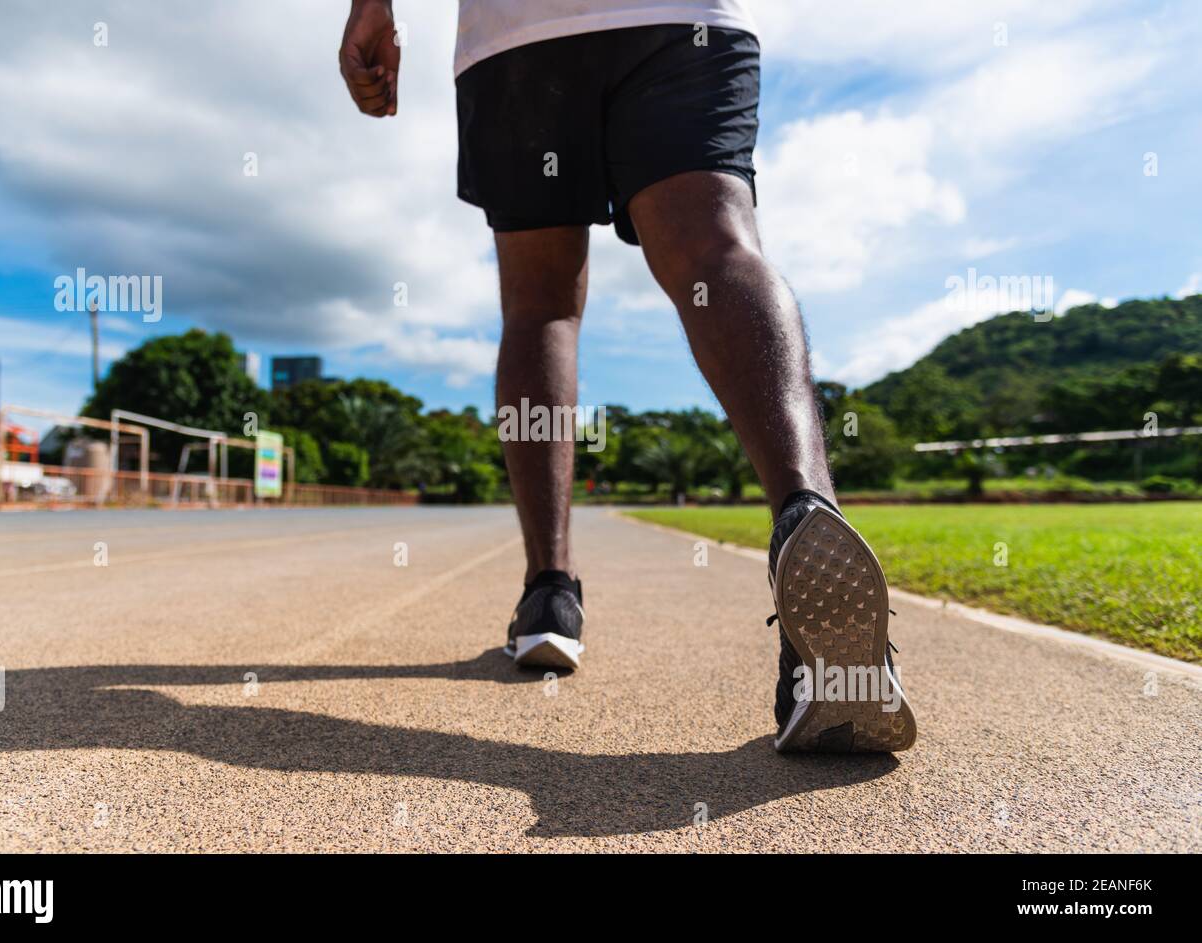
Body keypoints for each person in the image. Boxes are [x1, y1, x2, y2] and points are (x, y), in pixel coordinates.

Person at [339, 0, 916, 752]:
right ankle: (808, 515)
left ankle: (549, 595)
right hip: (681, 18)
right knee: (717, 248)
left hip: (518, 34)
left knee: (541, 307)